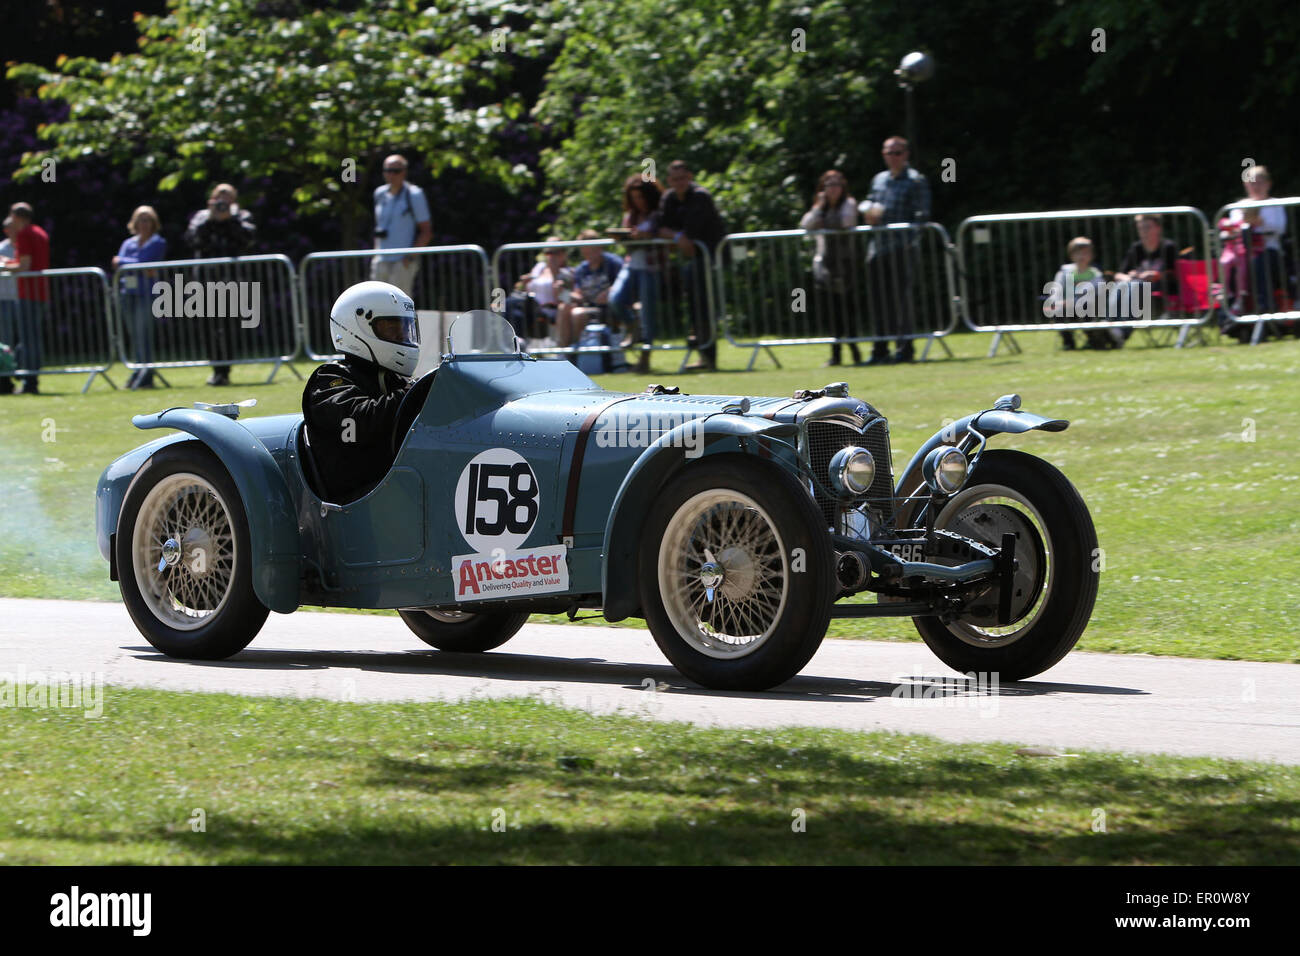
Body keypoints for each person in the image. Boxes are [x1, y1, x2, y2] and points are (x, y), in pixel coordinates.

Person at [302, 281, 419, 503]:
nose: (401, 336)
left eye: (405, 329)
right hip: (358, 502)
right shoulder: (329, 380)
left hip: (398, 488)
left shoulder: (394, 380)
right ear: (357, 328)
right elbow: (359, 424)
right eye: (392, 328)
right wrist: (416, 391)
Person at [860, 136, 931, 365]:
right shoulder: (878, 179)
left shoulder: (916, 180)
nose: (893, 157)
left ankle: (904, 349)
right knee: (880, 302)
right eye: (889, 153)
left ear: (906, 154)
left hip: (902, 247)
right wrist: (869, 213)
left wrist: (910, 237)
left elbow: (922, 215)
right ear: (883, 155)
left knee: (901, 301)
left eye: (898, 152)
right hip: (877, 248)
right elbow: (870, 202)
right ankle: (879, 349)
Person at [185, 183, 256, 385]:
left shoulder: (242, 216)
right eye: (219, 198)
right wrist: (211, 219)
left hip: (231, 280)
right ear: (212, 199)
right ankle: (217, 369)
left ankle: (225, 370)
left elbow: (247, 240)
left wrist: (229, 220)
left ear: (234, 200)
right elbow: (192, 240)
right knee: (207, 327)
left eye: (228, 198)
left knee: (228, 327)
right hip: (205, 282)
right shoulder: (202, 217)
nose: (223, 203)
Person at [658, 160, 725, 371]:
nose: (679, 183)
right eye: (674, 179)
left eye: (683, 178)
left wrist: (678, 238)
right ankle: (702, 355)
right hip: (689, 261)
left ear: (690, 177)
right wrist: (678, 237)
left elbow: (692, 236)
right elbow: (661, 228)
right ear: (669, 180)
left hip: (710, 260)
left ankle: (709, 357)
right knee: (694, 308)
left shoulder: (700, 197)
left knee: (706, 308)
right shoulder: (669, 198)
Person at [800, 169, 861, 366]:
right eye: (829, 185)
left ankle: (855, 352)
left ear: (843, 187)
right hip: (825, 264)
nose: (833, 189)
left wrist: (827, 216)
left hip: (845, 265)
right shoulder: (821, 207)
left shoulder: (848, 204)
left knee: (848, 311)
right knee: (832, 312)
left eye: (837, 185)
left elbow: (846, 221)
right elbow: (806, 225)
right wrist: (819, 206)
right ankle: (836, 354)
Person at [609, 175, 663, 371]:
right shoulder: (630, 216)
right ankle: (633, 326)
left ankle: (645, 359)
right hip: (631, 265)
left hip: (650, 268)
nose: (638, 202)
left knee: (648, 314)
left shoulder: (658, 215)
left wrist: (648, 235)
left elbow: (662, 234)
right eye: (634, 198)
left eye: (641, 197)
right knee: (615, 299)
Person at [113, 206, 168, 389]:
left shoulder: (158, 242)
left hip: (147, 294)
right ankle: (138, 370)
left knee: (144, 333)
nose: (144, 224)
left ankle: (146, 374)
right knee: (134, 335)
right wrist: (134, 264)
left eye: (147, 220)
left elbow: (148, 266)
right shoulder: (128, 243)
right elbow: (123, 266)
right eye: (140, 220)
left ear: (154, 223)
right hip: (128, 293)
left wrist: (124, 262)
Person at [1222, 165, 1286, 315]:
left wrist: (1260, 223)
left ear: (1268, 184)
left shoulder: (1276, 205)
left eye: (1260, 182)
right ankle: (1232, 304)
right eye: (1252, 183)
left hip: (1268, 250)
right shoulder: (1238, 207)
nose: (1256, 186)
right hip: (1242, 252)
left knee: (1259, 262)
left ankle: (1265, 306)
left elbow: (1280, 228)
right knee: (1227, 263)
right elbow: (1234, 228)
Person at [1, 203, 50, 394]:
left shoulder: (24, 234)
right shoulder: (39, 232)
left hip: (28, 292)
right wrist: (9, 263)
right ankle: (31, 379)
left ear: (17, 217)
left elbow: (24, 266)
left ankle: (30, 382)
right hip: (39, 292)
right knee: (33, 339)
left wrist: (3, 267)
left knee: (28, 340)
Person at [371, 154, 432, 297]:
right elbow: (378, 227)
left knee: (400, 305)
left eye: (396, 171)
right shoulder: (379, 193)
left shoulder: (414, 194)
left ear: (404, 171)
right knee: (377, 302)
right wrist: (375, 255)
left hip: (402, 262)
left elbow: (426, 231)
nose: (391, 174)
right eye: (388, 170)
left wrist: (409, 259)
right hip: (380, 260)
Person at [1113, 214, 1178, 331]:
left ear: (1158, 228)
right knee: (1122, 286)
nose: (1144, 231)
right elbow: (1119, 274)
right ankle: (1110, 325)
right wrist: (1129, 277)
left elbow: (1175, 273)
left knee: (1135, 287)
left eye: (1147, 227)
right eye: (1140, 228)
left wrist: (1157, 275)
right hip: (1134, 288)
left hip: (1161, 294)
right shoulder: (1136, 248)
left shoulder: (1168, 247)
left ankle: (1120, 332)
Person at [1046, 237, 1110, 350]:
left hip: (1089, 308)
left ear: (1091, 255)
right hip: (1067, 308)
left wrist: (1074, 302)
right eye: (1078, 253)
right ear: (1071, 255)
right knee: (1057, 311)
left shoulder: (1096, 275)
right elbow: (1056, 291)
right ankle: (1068, 342)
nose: (1081, 256)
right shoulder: (1064, 273)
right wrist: (1056, 303)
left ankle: (1093, 340)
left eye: (1085, 253)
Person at [566, 229, 623, 337]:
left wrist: (609, 292)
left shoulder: (613, 262)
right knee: (564, 308)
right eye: (584, 249)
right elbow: (578, 293)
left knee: (578, 314)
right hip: (589, 307)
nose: (587, 253)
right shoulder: (581, 269)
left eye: (590, 249)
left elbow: (624, 284)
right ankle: (567, 350)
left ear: (599, 247)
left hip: (612, 307)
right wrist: (567, 294)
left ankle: (575, 351)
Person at [515, 242, 574, 344]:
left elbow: (564, 299)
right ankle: (513, 341)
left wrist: (555, 275)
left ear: (563, 254)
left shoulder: (567, 273)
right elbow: (520, 288)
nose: (551, 256)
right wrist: (523, 283)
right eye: (548, 252)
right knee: (510, 303)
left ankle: (517, 341)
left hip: (548, 309)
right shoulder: (540, 267)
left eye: (554, 252)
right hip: (530, 304)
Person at [0, 217, 18, 395]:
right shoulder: (2, 248)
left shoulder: (23, 246)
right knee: (6, 341)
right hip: (4, 299)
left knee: (23, 340)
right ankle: (7, 380)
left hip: (22, 298)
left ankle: (22, 376)